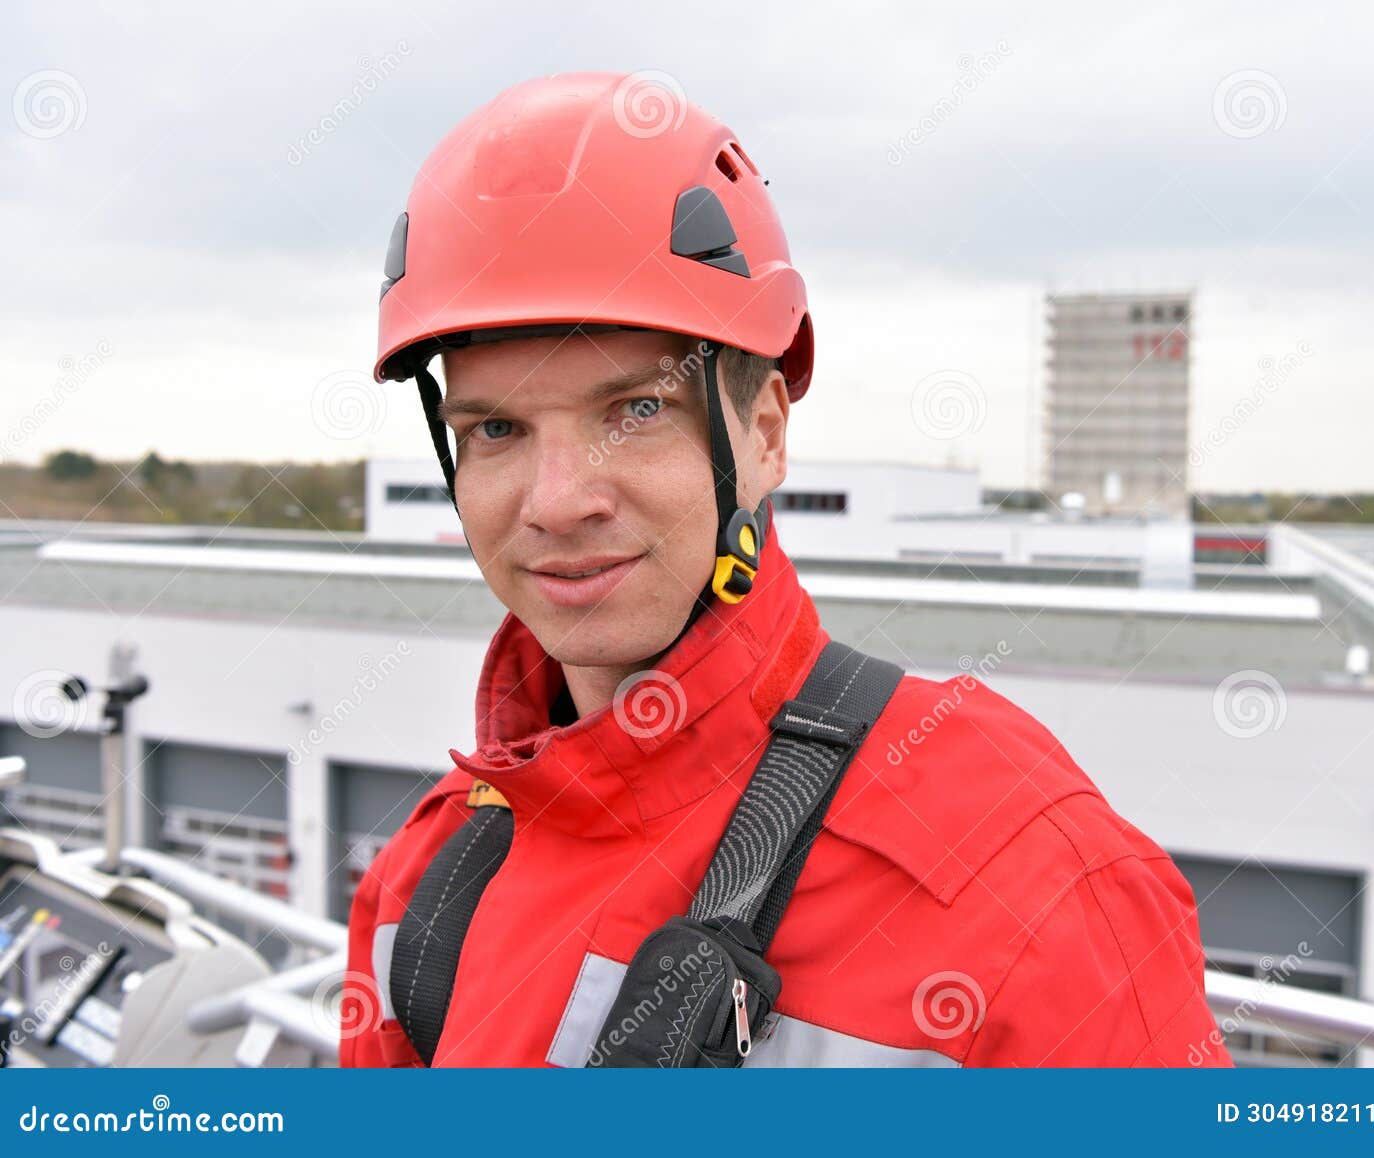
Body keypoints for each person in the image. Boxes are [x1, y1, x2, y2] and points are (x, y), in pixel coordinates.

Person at [340, 71, 1230, 1068]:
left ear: (763, 435)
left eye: (635, 410)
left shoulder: (1025, 872)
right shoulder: (425, 881)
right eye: (496, 427)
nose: (557, 500)